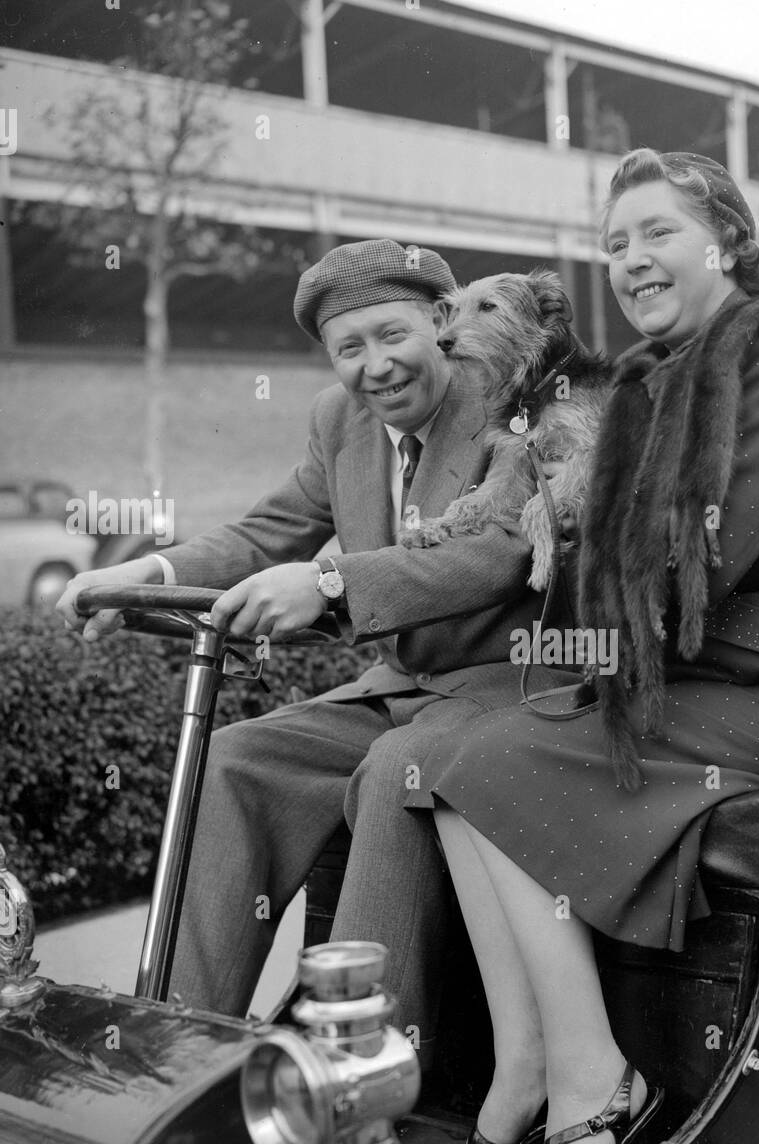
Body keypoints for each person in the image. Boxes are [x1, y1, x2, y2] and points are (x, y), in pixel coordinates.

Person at [417, 149, 759, 1144]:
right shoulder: (651, 377)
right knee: (443, 768)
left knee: (493, 760)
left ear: (724, 241)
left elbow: (693, 564)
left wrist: (575, 515)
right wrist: (559, 514)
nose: (629, 260)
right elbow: (610, 557)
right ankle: (532, 1061)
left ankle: (597, 1083)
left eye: (655, 233)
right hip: (701, 671)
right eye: (614, 244)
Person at [58, 239, 571, 1063]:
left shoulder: (512, 394)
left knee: (392, 770)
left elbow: (507, 547)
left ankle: (356, 1067)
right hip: (404, 688)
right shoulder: (340, 423)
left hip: (517, 689)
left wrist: (331, 583)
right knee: (236, 758)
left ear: (441, 322)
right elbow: (269, 530)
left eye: (393, 334)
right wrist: (146, 572)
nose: (377, 367)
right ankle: (179, 1053)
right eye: (348, 349)